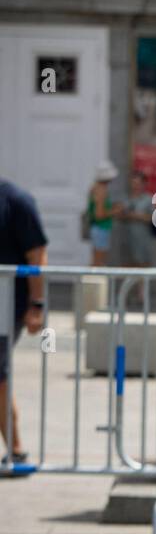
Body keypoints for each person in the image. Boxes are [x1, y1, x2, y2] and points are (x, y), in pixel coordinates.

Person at [0, 179, 48, 472]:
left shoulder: (16, 201)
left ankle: (15, 450)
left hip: (5, 307)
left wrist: (37, 305)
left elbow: (36, 255)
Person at [117, 170, 156, 269]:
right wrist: (124, 214)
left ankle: (142, 285)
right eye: (133, 183)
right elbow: (118, 215)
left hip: (142, 240)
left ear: (144, 184)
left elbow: (153, 218)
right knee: (126, 267)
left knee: (142, 267)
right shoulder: (124, 198)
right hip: (127, 239)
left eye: (138, 183)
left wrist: (135, 215)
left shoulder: (148, 199)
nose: (135, 186)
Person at [86, 162, 121, 267]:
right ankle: (93, 282)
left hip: (97, 228)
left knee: (96, 260)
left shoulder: (95, 187)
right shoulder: (101, 190)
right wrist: (115, 211)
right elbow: (99, 214)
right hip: (101, 228)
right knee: (98, 262)